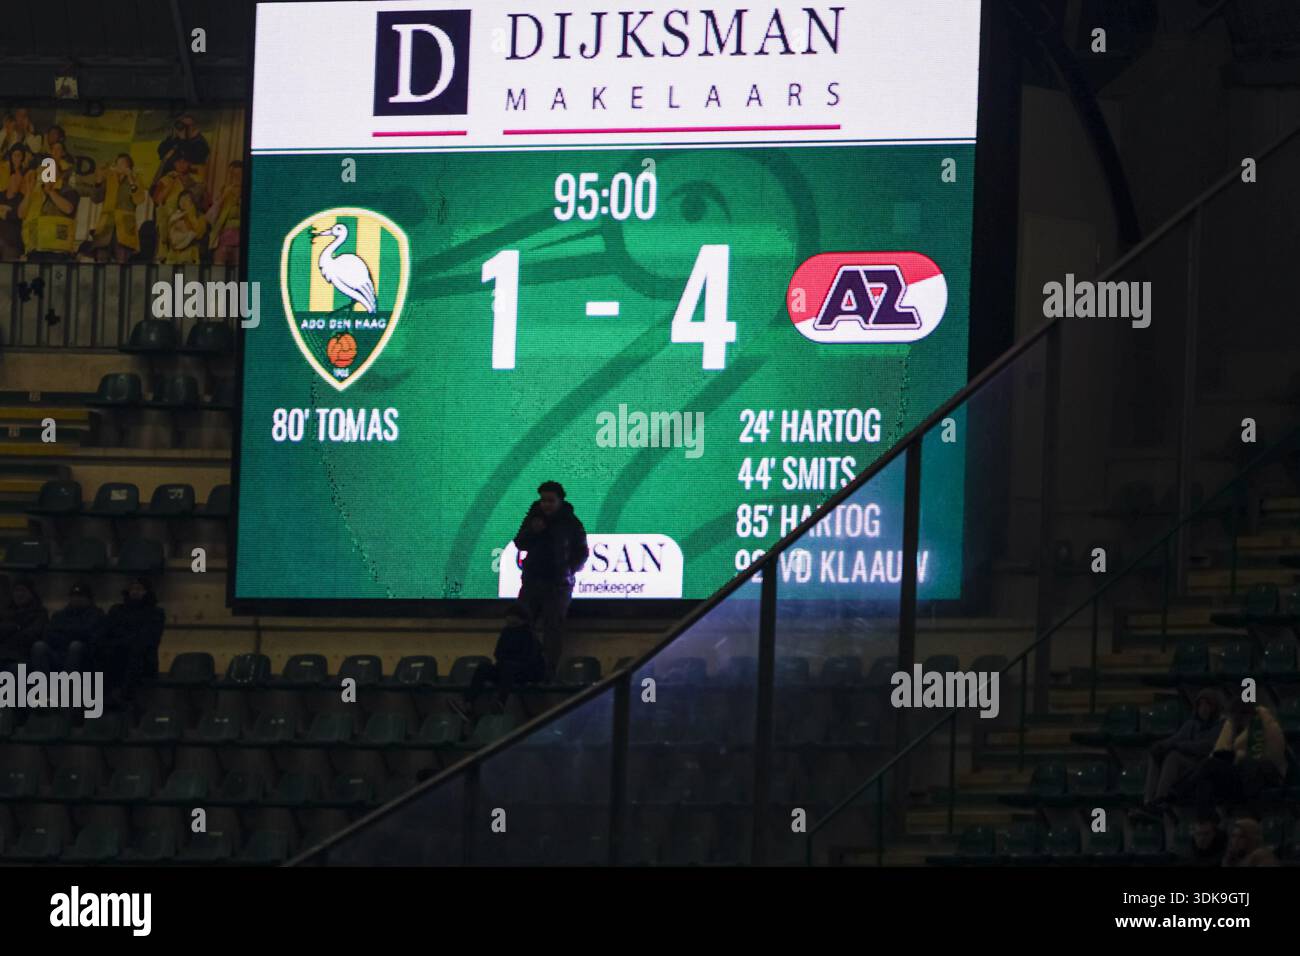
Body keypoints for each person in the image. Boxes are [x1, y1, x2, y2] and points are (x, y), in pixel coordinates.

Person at [513, 480, 588, 679]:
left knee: (552, 631)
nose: (546, 504)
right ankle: (522, 669)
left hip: (558, 586)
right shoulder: (533, 520)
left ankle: (548, 673)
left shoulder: (571, 523)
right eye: (543, 500)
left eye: (550, 500)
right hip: (532, 583)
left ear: (560, 501)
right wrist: (532, 531)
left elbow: (582, 552)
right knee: (521, 626)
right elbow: (519, 543)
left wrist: (568, 571)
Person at [1184, 697, 1287, 818]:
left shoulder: (1264, 726)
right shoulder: (1234, 728)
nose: (1232, 721)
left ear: (1243, 715)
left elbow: (1267, 757)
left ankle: (1184, 789)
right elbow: (1221, 750)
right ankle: (1206, 823)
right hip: (1239, 775)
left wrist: (1235, 757)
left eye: (1234, 717)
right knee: (1205, 780)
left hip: (1261, 778)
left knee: (1209, 765)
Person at [449, 602, 545, 722]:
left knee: (509, 668)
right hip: (505, 668)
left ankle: (500, 703)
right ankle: (467, 703)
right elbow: (498, 653)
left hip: (523, 672)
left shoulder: (530, 635)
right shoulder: (506, 632)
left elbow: (529, 659)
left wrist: (510, 661)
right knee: (483, 667)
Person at [1145, 688, 1223, 808]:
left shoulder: (1219, 726)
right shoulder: (1191, 724)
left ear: (1214, 707)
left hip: (1201, 765)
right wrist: (1161, 745)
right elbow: (1175, 739)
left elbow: (1206, 747)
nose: (1203, 708)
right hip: (1187, 762)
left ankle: (1160, 800)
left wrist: (1177, 746)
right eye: (1200, 704)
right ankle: (1148, 801)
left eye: (1207, 704)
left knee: (1173, 756)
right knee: (1156, 754)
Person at [100, 576, 165, 703]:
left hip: (142, 659)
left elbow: (148, 639)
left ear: (147, 592)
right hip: (117, 654)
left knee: (134, 652)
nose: (135, 591)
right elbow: (106, 633)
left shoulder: (156, 613)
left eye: (139, 589)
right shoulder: (117, 610)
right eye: (132, 588)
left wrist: (122, 641)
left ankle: (120, 696)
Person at [88, 153, 147, 264]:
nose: (120, 167)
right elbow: (95, 199)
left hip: (124, 228)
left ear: (129, 167)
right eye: (118, 164)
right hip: (106, 226)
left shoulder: (136, 179)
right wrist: (99, 181)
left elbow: (139, 200)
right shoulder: (109, 178)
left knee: (122, 261)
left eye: (123, 164)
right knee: (101, 259)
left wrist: (130, 179)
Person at [35, 581, 102, 672]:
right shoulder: (59, 615)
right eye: (74, 596)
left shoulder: (96, 614)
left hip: (84, 658)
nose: (76, 599)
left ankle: (68, 684)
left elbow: (88, 635)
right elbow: (48, 634)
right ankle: (43, 684)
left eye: (81, 596)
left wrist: (64, 632)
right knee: (39, 646)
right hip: (59, 654)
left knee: (75, 646)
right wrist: (73, 633)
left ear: (89, 598)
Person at [0, 577, 49, 671]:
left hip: (22, 658)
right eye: (16, 590)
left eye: (23, 590)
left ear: (31, 594)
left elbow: (31, 636)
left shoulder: (39, 613)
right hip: (3, 656)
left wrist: (8, 632)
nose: (19, 594)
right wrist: (16, 627)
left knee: (17, 669)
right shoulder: (5, 612)